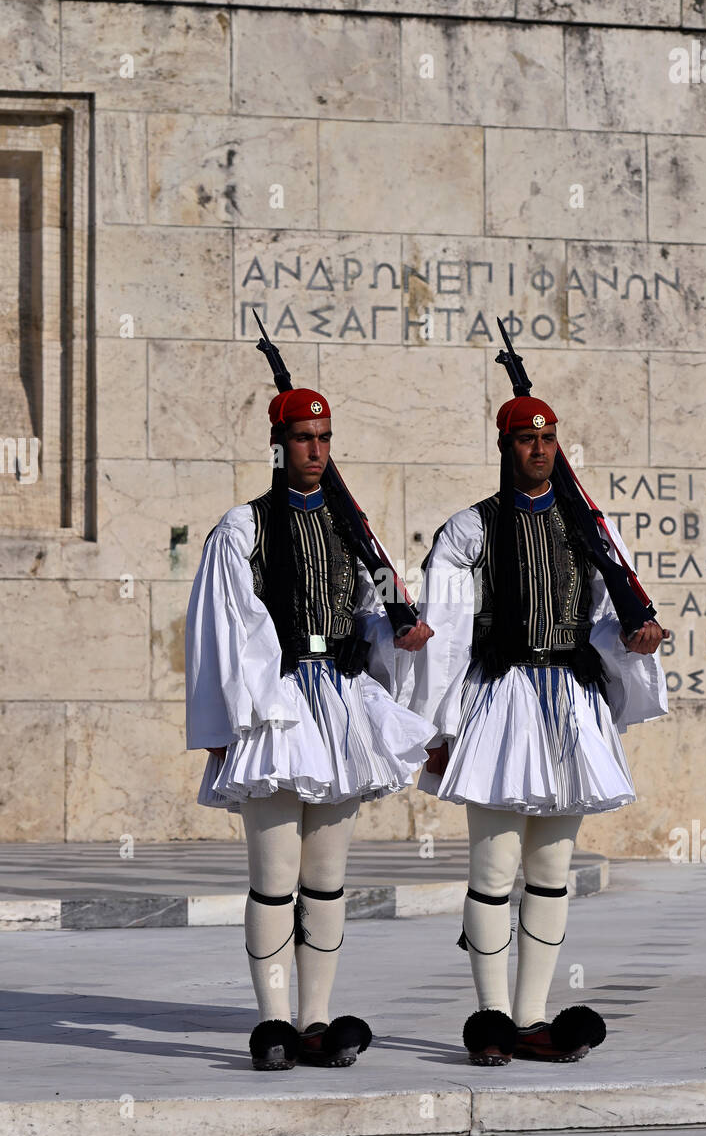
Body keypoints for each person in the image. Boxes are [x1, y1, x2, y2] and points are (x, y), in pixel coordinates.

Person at [409, 393, 670, 1065]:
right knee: (494, 866)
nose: (539, 449)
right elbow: (446, 633)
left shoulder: (590, 528)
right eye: (527, 440)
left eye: (549, 439)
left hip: (569, 701)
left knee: (552, 870)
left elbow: (607, 619)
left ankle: (531, 1018)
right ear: (504, 447)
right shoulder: (471, 530)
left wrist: (637, 640)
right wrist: (439, 725)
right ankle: (491, 1017)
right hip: (502, 701)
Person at [185, 384, 434, 1071]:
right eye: (303, 439)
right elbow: (218, 629)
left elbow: (377, 602)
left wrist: (401, 630)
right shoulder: (244, 527)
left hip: (339, 707)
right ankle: (272, 1024)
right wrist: (221, 721)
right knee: (274, 876)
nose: (316, 451)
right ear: (278, 444)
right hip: (277, 709)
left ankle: (316, 1018)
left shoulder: (350, 527)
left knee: (326, 878)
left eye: (325, 440)